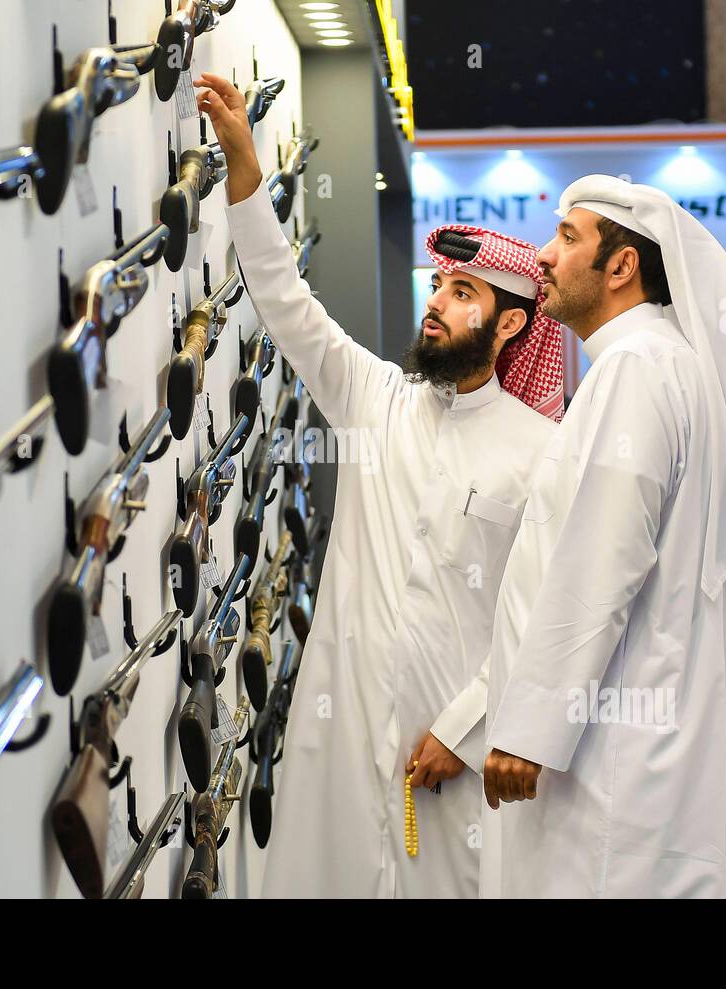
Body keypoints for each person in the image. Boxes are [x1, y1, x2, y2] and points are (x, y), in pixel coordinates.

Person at [195, 72, 564, 897]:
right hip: (343, 727)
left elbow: (543, 616)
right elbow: (288, 305)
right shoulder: (379, 399)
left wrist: (464, 730)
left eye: (462, 293)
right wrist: (245, 166)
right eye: (437, 285)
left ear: (509, 325)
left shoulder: (544, 451)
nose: (436, 303)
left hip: (450, 763)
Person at [435, 174, 726, 897]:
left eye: (567, 237)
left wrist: (529, 729)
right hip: (638, 745)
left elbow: (600, 564)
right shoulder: (664, 365)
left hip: (613, 761)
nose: (543, 256)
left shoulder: (637, 370)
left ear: (622, 266)